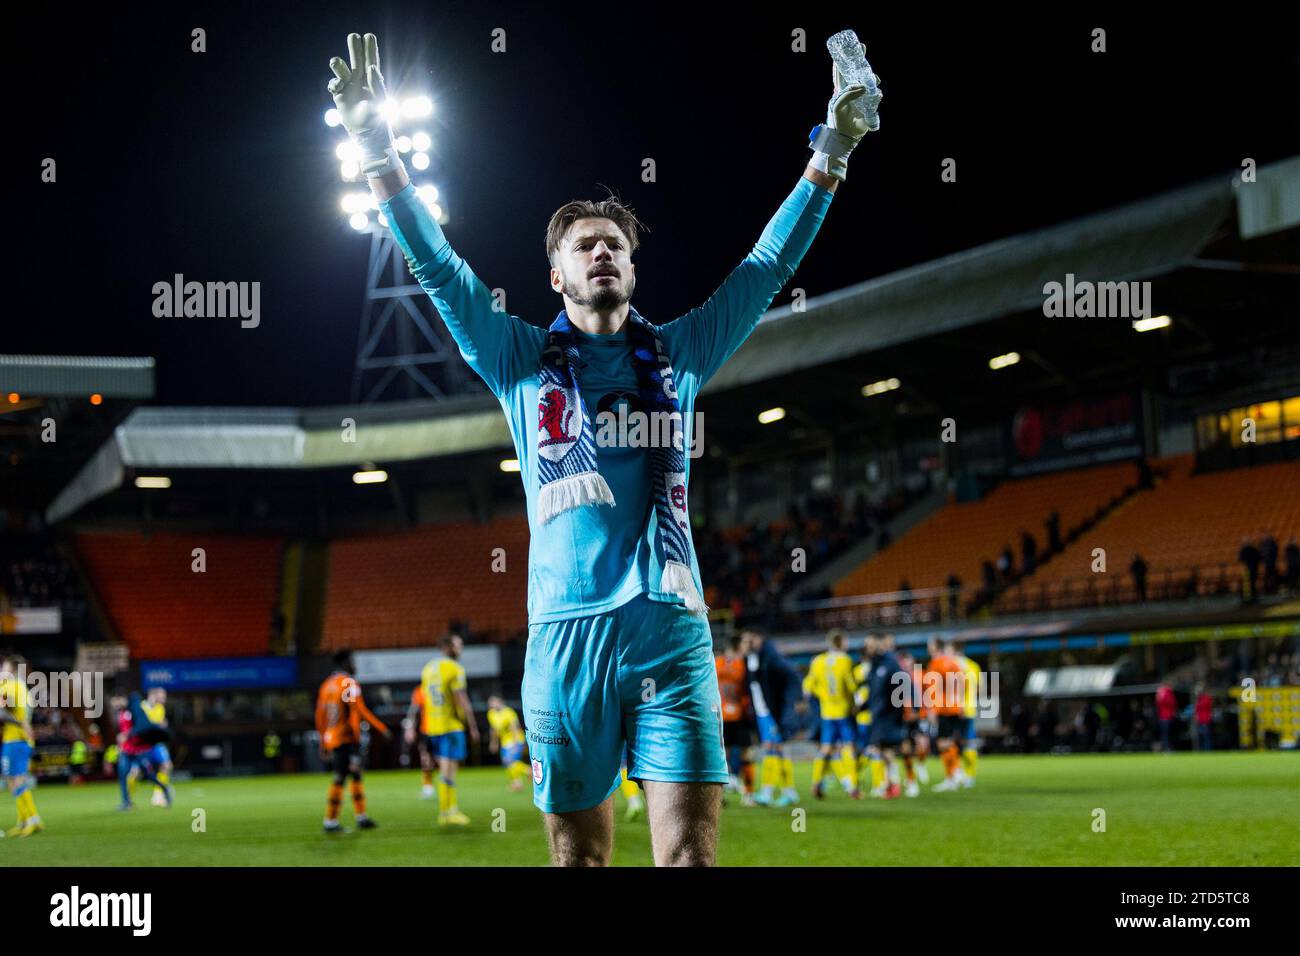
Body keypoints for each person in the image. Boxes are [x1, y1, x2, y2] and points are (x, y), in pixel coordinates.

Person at [326, 31, 872, 867]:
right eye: (583, 244)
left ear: (633, 268)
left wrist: (831, 148)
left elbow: (767, 266)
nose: (602, 251)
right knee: (580, 862)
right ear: (557, 277)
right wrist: (374, 146)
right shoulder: (516, 360)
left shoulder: (682, 354)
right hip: (565, 639)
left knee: (689, 858)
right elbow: (437, 266)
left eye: (615, 243)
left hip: (672, 630)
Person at [316, 649, 390, 833]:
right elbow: (359, 708)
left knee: (354, 773)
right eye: (352, 661)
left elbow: (320, 715)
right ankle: (330, 821)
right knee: (341, 776)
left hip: (333, 736)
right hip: (347, 737)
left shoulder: (327, 685)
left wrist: (322, 740)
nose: (355, 665)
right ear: (345, 663)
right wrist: (381, 728)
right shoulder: (348, 683)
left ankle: (361, 817)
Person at [420, 634, 480, 825]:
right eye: (458, 645)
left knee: (443, 769)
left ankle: (445, 812)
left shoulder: (428, 668)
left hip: (433, 726)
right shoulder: (455, 669)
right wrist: (472, 725)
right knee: (449, 770)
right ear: (448, 647)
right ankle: (449, 812)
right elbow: (460, 699)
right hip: (451, 725)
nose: (461, 648)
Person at [742, 629, 803, 807]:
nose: (746, 644)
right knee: (779, 749)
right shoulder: (748, 660)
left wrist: (795, 700)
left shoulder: (771, 657)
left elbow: (792, 677)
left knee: (771, 746)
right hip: (761, 712)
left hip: (773, 711)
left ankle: (767, 792)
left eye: (749, 640)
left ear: (758, 639)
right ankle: (789, 792)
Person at [804, 630, 860, 800]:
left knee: (826, 749)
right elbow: (851, 686)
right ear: (842, 643)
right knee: (848, 747)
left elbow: (807, 687)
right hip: (843, 711)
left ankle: (815, 783)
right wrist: (856, 703)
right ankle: (853, 788)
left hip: (826, 712)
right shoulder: (845, 660)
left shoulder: (818, 661)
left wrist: (822, 695)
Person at [0, 655, 42, 836]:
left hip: (16, 739)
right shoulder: (20, 687)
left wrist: (19, 723)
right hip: (15, 739)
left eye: (4, 667)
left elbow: (4, 708)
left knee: (17, 779)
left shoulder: (12, 685)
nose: (1, 670)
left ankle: (33, 820)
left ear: (13, 670)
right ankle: (23, 819)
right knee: (11, 780)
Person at [715, 634, 755, 806]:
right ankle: (748, 796)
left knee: (720, 757)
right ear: (738, 647)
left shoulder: (715, 663)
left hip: (720, 716)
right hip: (739, 716)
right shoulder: (743, 665)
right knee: (746, 754)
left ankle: (718, 797)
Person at [486, 694, 530, 792]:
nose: (491, 704)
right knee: (508, 763)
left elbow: (515, 728)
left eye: (493, 702)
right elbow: (493, 729)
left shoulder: (508, 712)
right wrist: (494, 743)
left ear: (500, 701)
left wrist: (516, 743)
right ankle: (517, 783)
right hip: (505, 742)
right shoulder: (491, 714)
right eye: (490, 702)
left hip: (516, 739)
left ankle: (528, 770)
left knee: (510, 762)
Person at [142, 687, 174, 807]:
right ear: (153, 695)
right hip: (142, 744)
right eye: (162, 696)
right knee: (134, 772)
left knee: (166, 766)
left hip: (156, 743)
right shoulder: (142, 707)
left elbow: (159, 725)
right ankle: (127, 800)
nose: (164, 699)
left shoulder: (160, 708)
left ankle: (158, 795)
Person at [1154, 682, 1177, 752]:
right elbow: (1172, 704)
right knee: (1166, 734)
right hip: (1166, 717)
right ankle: (1166, 748)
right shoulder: (1166, 693)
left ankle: (1168, 748)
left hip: (1165, 717)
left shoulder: (1164, 693)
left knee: (1167, 734)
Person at [1238, 538, 1261, 602]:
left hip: (1249, 568)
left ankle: (1249, 597)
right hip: (1252, 568)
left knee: (1249, 583)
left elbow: (1241, 559)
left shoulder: (1245, 550)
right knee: (1250, 583)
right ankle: (1251, 596)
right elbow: (1259, 558)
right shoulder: (1253, 549)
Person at [1194, 685, 1214, 751]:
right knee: (1200, 736)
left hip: (1205, 720)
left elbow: (1207, 707)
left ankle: (1207, 750)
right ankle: (1202, 749)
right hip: (1200, 720)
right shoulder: (1198, 699)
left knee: (1206, 736)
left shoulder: (1206, 698)